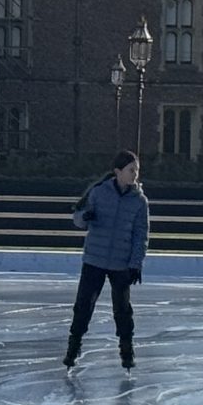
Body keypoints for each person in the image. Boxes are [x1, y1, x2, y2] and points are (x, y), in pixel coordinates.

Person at [66, 151, 149, 371]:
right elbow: (77, 217)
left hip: (121, 264)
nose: (135, 174)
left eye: (137, 170)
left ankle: (126, 350)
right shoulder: (98, 192)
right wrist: (85, 217)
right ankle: (73, 348)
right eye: (131, 170)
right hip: (95, 260)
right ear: (118, 172)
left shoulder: (140, 202)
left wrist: (136, 263)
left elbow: (141, 235)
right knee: (83, 306)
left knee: (122, 310)